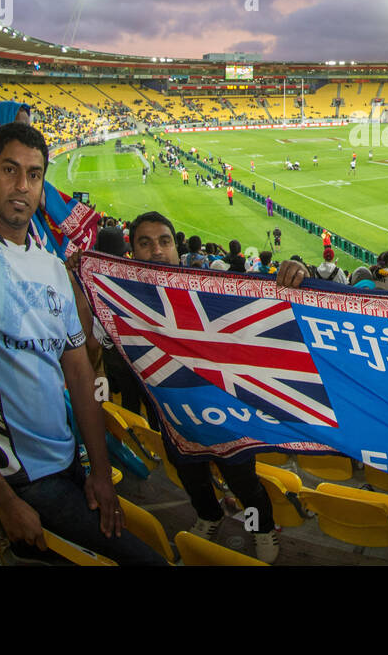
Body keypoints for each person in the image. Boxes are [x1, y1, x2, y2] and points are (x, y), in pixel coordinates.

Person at [0, 123, 166, 565]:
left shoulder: (52, 268)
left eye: (34, 175)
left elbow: (79, 374)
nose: (22, 186)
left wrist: (99, 472)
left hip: (68, 461)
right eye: (10, 170)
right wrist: (2, 497)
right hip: (18, 480)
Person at [125, 211, 279, 562]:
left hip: (223, 411)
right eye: (145, 243)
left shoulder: (207, 287)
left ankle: (262, 528)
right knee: (193, 480)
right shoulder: (121, 300)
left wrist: (292, 280)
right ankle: (209, 516)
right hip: (171, 415)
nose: (157, 251)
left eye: (164, 241)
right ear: (131, 252)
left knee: (244, 483)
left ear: (176, 247)